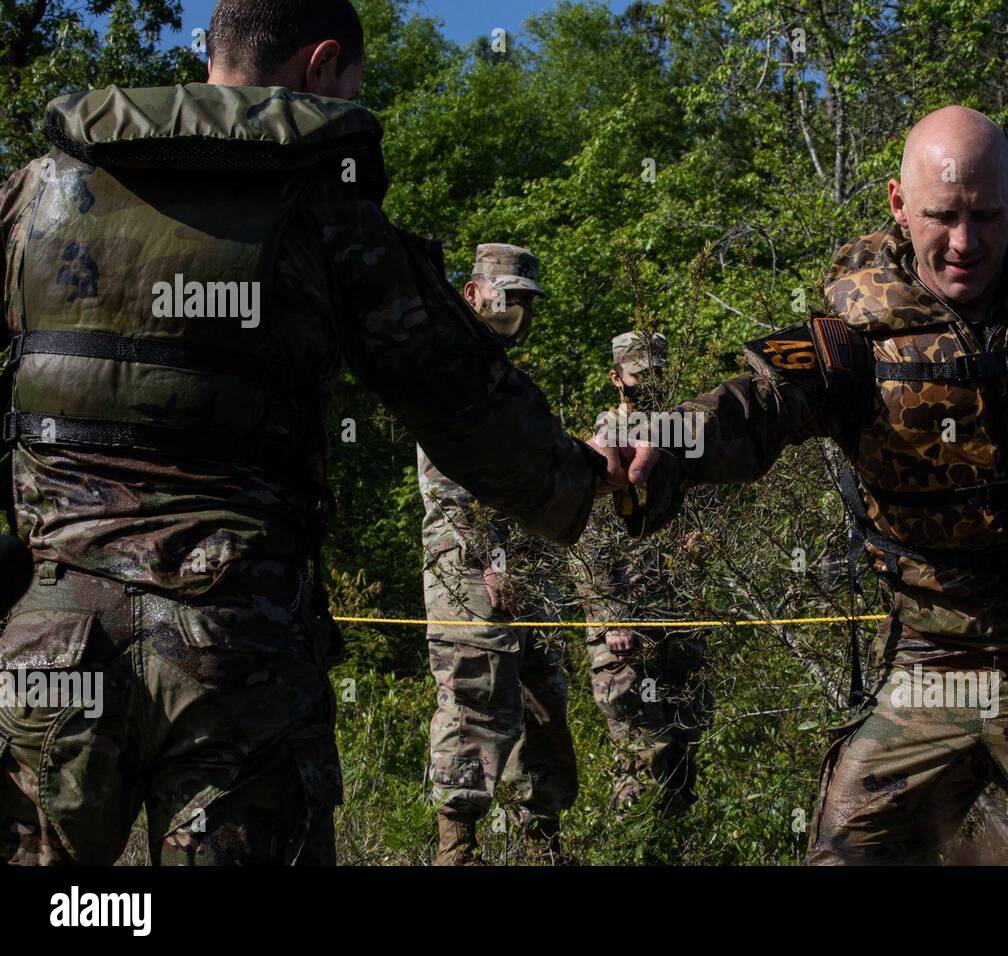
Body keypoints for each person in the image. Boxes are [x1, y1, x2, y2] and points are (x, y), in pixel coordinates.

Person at [0, 0, 620, 866]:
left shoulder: (34, 194)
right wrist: (589, 480)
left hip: (47, 645)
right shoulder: (326, 211)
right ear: (321, 66)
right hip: (234, 651)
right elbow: (464, 402)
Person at [612, 106, 1008, 865]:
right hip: (934, 667)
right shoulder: (853, 334)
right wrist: (662, 438)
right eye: (942, 216)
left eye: (986, 215)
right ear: (899, 206)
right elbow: (755, 406)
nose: (965, 243)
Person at [421, 244, 579, 866]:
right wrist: (495, 563)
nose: (517, 308)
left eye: (525, 300)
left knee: (543, 702)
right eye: (507, 295)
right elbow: (455, 489)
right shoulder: (448, 374)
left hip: (526, 566)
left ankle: (542, 844)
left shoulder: (510, 381)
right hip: (469, 568)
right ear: (473, 293)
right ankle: (456, 851)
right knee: (474, 700)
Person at [572, 332, 711, 815]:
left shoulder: (683, 436)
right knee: (638, 750)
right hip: (626, 624)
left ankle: (677, 840)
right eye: (638, 376)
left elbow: (710, 513)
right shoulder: (603, 442)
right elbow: (584, 539)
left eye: (657, 376)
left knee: (685, 742)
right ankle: (637, 844)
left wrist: (702, 547)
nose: (649, 386)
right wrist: (612, 617)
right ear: (617, 378)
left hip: (680, 617)